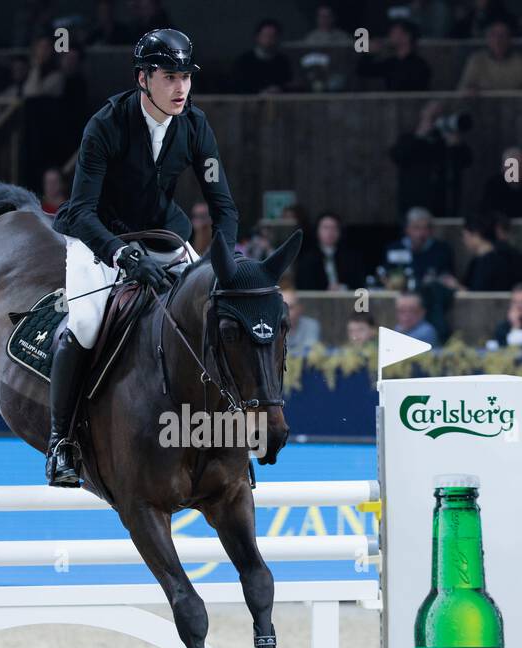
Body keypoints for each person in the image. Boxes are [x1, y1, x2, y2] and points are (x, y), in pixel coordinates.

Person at [47, 28, 238, 487]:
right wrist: (125, 257)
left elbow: (224, 209)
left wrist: (224, 263)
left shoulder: (194, 124)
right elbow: (82, 211)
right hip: (99, 235)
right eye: (170, 77)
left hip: (162, 233)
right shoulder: (106, 125)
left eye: (186, 77)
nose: (181, 88)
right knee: (87, 324)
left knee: (212, 313)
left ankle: (228, 434)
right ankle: (61, 442)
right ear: (143, 78)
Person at [389, 100, 473, 218]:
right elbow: (397, 156)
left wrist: (456, 145)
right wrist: (420, 135)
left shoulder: (446, 139)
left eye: (440, 115)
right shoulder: (409, 137)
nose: (436, 120)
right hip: (414, 201)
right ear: (422, 114)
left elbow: (467, 161)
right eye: (433, 116)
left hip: (444, 201)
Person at [457, 18, 522, 91]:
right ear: (488, 38)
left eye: (502, 35)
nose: (497, 40)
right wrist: (470, 90)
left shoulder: (521, 61)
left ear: (509, 39)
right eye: (493, 35)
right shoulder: (476, 60)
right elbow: (462, 89)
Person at [356, 18, 432, 91]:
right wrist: (369, 54)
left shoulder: (419, 65)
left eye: (394, 32)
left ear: (407, 36)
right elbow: (363, 71)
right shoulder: (391, 63)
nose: (390, 36)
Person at [294, 213, 364, 291]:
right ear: (317, 231)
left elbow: (360, 285)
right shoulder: (307, 259)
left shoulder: (351, 258)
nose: (330, 232)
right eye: (325, 228)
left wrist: (343, 288)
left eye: (334, 228)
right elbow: (304, 288)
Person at [462, 213, 522, 291]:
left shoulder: (503, 258)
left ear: (476, 235)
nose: (464, 241)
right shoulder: (476, 261)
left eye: (466, 236)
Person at [233, 18, 290, 94]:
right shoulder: (244, 61)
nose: (269, 40)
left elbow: (288, 84)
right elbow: (238, 86)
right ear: (257, 37)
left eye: (273, 36)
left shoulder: (283, 61)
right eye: (266, 36)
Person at [281, 289, 322, 356]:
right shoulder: (273, 329)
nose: (286, 312)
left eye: (291, 307)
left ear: (299, 308)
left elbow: (309, 353)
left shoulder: (311, 325)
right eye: (282, 308)